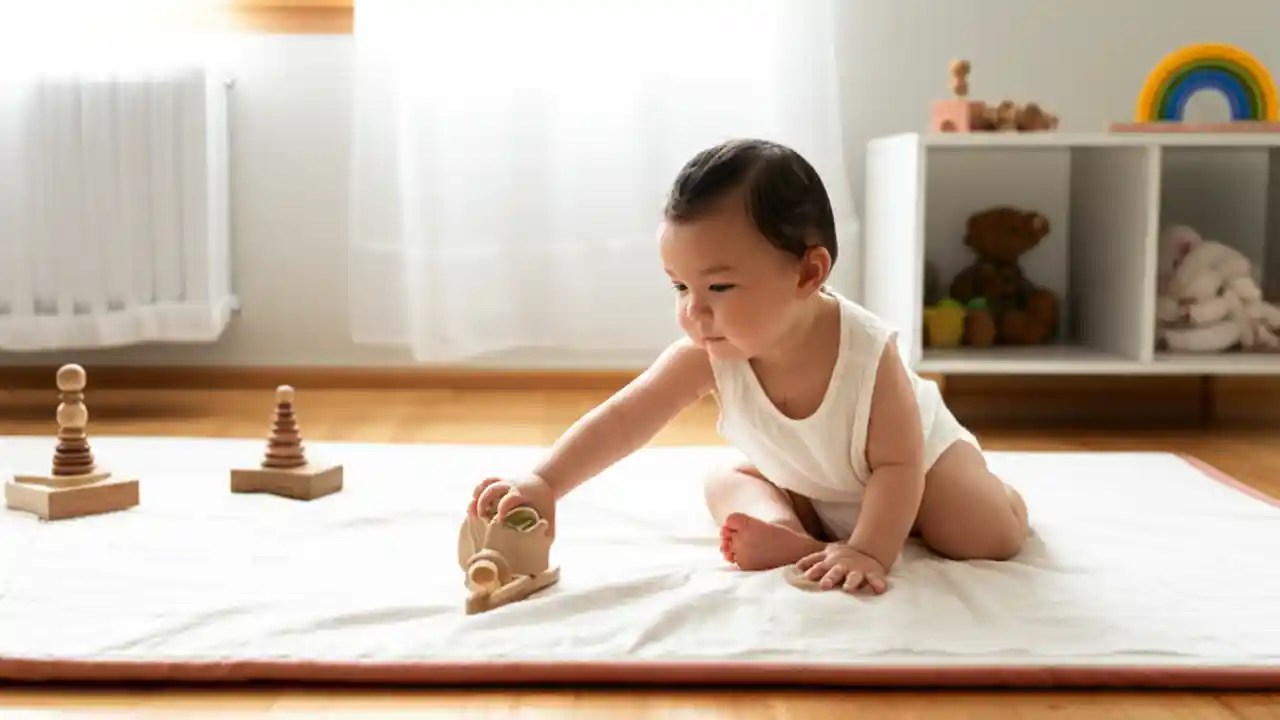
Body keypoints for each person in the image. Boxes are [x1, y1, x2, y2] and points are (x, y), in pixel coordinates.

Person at [468, 138, 1029, 595]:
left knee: (975, 531)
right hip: (811, 481)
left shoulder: (866, 354)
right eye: (681, 286)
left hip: (915, 472)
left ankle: (1000, 497)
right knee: (725, 480)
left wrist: (868, 551)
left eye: (719, 286)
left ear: (808, 275)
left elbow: (898, 468)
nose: (694, 310)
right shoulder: (710, 352)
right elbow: (624, 418)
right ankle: (792, 535)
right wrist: (544, 483)